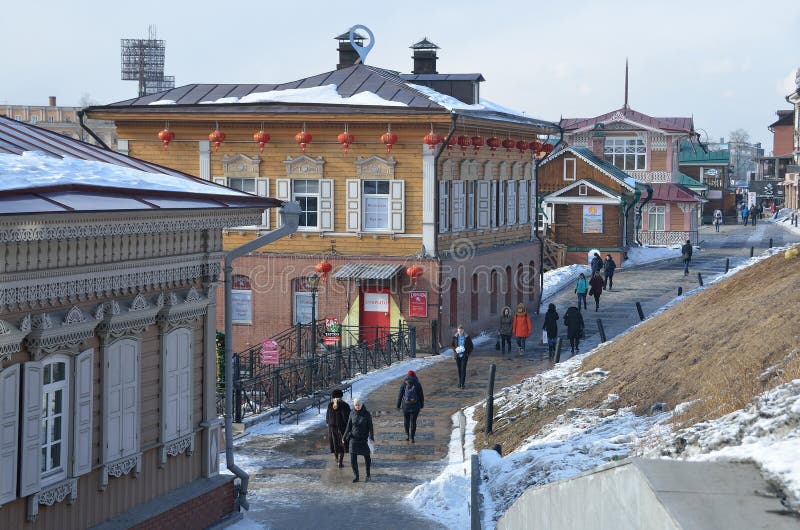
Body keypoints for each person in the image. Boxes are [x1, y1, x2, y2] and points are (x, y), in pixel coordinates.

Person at [343, 397, 374, 483]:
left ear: (361, 404)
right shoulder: (352, 413)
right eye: (356, 405)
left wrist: (371, 437)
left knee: (367, 458)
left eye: (358, 405)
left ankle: (368, 474)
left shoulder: (367, 414)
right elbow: (348, 426)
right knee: (353, 460)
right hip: (353, 439)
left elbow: (370, 427)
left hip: (363, 439)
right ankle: (356, 476)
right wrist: (344, 437)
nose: (357, 406)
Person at [396, 370, 424, 443]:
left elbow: (400, 395)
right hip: (415, 406)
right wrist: (422, 405)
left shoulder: (404, 383)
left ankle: (407, 435)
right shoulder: (417, 384)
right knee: (413, 421)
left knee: (406, 420)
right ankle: (412, 438)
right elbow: (421, 395)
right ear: (414, 375)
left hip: (406, 406)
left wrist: (398, 405)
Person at [326, 389, 351, 468]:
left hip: (332, 427)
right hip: (342, 427)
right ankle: (340, 462)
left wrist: (329, 423)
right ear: (341, 396)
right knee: (342, 444)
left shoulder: (330, 405)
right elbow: (347, 418)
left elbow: (327, 417)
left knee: (334, 443)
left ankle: (336, 459)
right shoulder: (345, 405)